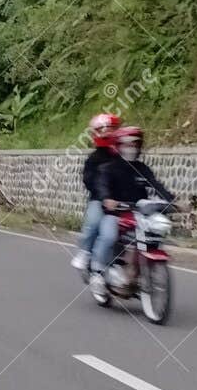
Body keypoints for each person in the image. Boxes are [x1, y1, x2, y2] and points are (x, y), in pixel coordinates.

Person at [89, 126, 173, 301]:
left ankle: (135, 271)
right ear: (119, 145)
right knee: (109, 236)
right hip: (115, 213)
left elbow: (156, 185)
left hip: (139, 212)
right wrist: (107, 199)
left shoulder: (142, 168)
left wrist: (172, 201)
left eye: (135, 143)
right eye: (128, 144)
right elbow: (101, 186)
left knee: (154, 232)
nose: (132, 147)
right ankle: (97, 273)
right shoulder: (108, 167)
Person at [71, 112, 121, 273]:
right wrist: (103, 196)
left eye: (112, 128)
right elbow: (88, 181)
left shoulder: (123, 157)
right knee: (92, 224)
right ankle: (85, 252)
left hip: (123, 201)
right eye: (104, 129)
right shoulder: (94, 159)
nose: (108, 132)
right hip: (99, 200)